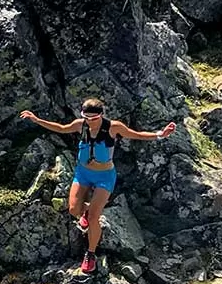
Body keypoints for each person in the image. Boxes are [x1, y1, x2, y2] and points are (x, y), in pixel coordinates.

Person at [20, 98, 176, 274]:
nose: (90, 121)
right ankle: (86, 210)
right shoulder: (81, 125)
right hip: (83, 173)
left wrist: (160, 134)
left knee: (94, 218)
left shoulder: (113, 127)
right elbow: (62, 128)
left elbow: (136, 134)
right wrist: (37, 120)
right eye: (86, 117)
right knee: (73, 210)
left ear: (101, 115)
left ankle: (90, 253)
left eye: (93, 118)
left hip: (105, 176)